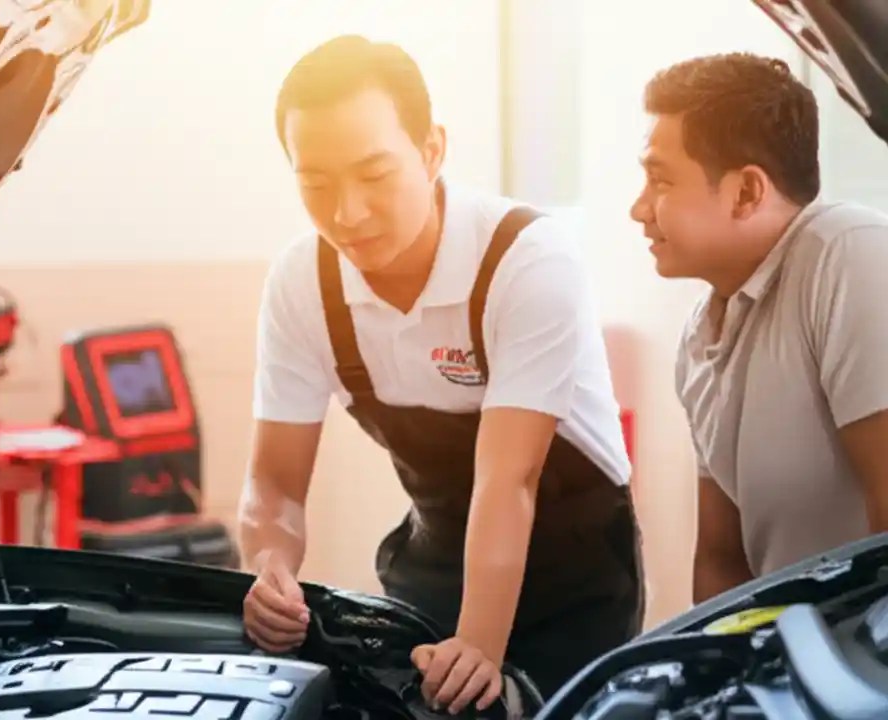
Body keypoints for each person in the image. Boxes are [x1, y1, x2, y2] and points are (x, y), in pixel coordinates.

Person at [237, 34, 644, 712]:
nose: (347, 213)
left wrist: (479, 645)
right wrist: (270, 568)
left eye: (374, 176)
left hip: (577, 571)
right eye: (316, 184)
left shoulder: (525, 259)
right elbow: (275, 482)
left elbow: (508, 480)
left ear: (432, 151)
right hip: (434, 557)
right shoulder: (302, 283)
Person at [630, 53, 888, 603]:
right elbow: (722, 559)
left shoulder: (848, 256)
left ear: (747, 192)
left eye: (660, 180)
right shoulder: (700, 334)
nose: (638, 208)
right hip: (792, 654)